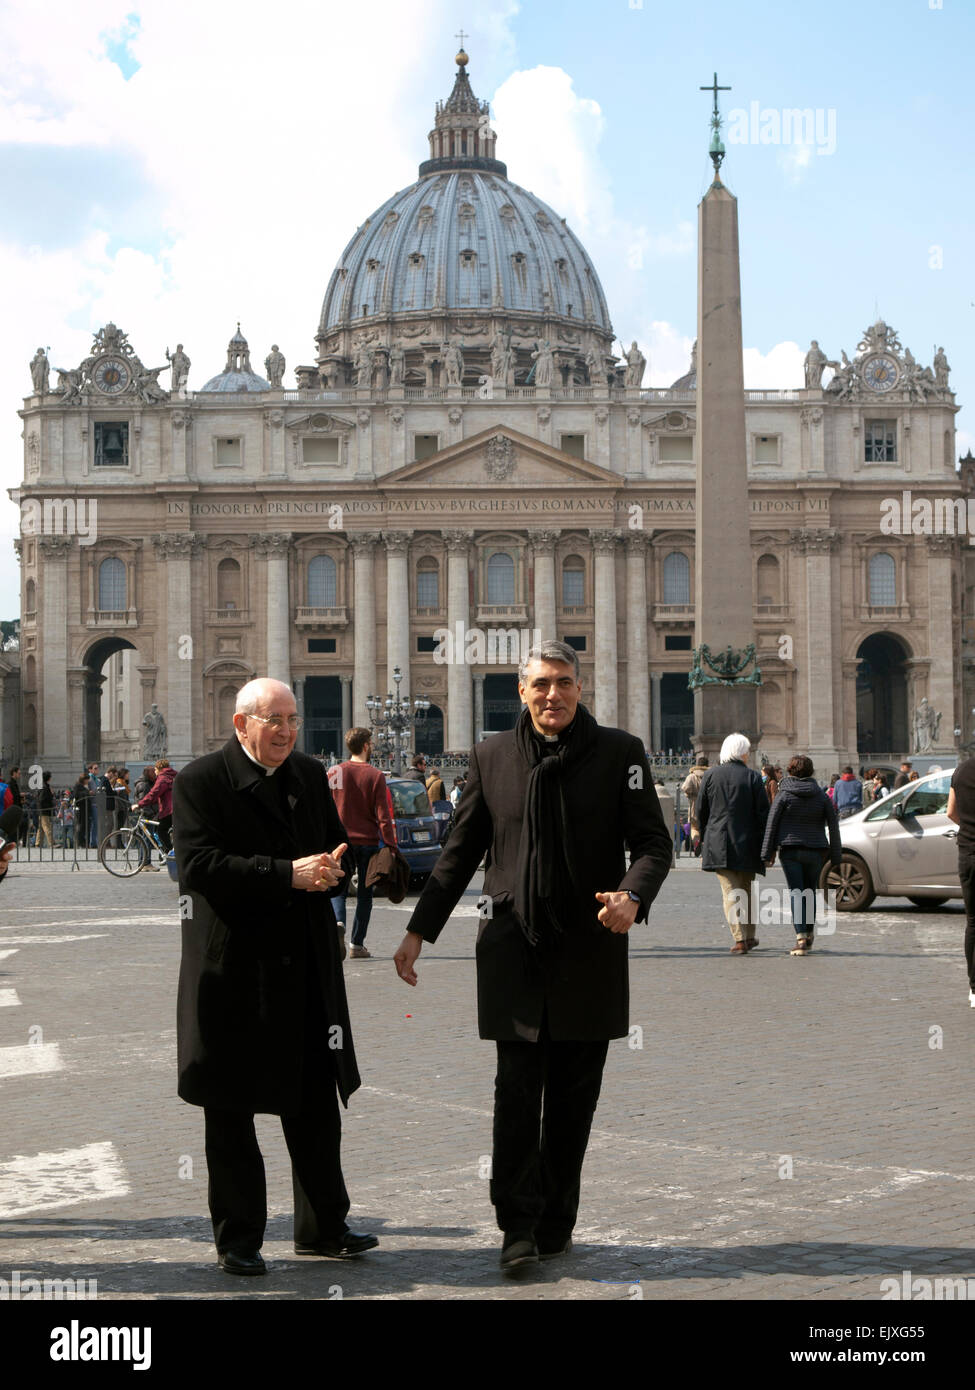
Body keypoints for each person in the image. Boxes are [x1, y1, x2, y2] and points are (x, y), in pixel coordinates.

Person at [393, 639, 672, 1271]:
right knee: (516, 1095)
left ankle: (555, 1220)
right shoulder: (491, 757)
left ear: (580, 688)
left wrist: (632, 896)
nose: (553, 695)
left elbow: (654, 844)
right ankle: (515, 1225)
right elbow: (460, 852)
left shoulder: (619, 754)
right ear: (522, 691)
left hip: (589, 950)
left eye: (564, 683)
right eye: (541, 684)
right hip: (514, 949)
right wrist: (418, 932)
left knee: (574, 1102)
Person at [173, 677, 376, 1276]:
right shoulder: (201, 781)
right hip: (233, 969)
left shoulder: (310, 774)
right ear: (241, 724)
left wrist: (341, 866)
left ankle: (324, 1226)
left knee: (315, 1105)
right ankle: (238, 1239)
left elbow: (332, 846)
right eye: (274, 720)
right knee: (230, 1110)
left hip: (305, 964)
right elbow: (198, 867)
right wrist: (286, 873)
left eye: (292, 719)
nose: (287, 730)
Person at [696, 733, 770, 954]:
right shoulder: (754, 777)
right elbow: (763, 814)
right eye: (747, 751)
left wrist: (705, 834)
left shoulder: (710, 775)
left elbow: (701, 810)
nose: (748, 755)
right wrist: (766, 844)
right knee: (746, 891)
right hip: (747, 842)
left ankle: (739, 939)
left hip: (719, 841)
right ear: (742, 753)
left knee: (730, 891)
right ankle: (748, 936)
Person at [761, 755, 841, 955]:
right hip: (815, 850)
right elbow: (833, 825)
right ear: (811, 772)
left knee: (796, 893)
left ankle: (801, 938)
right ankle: (810, 933)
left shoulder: (784, 794)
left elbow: (772, 824)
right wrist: (836, 856)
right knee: (809, 892)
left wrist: (767, 853)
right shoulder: (821, 795)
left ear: (790, 771)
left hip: (790, 850)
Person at [327, 728, 396, 961]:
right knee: (365, 895)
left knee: (338, 889)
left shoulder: (334, 772)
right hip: (367, 842)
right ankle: (357, 944)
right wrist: (391, 845)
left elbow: (326, 808)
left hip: (340, 842)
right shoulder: (375, 775)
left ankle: (338, 922)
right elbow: (383, 815)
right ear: (366, 746)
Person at [947, 758, 975, 1006]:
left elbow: (950, 812)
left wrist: (968, 827)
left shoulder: (961, 770)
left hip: (968, 853)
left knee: (973, 922)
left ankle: (974, 989)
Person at [137, 758, 177, 859]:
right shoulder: (173, 775)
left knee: (161, 831)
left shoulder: (162, 778)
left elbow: (154, 793)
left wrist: (139, 804)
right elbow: (163, 795)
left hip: (169, 810)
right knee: (163, 828)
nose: (155, 772)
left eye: (155, 769)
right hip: (176, 808)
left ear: (159, 768)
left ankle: (170, 853)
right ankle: (168, 852)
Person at [681, 755, 709, 855]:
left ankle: (696, 842)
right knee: (708, 827)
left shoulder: (692, 776)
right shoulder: (710, 775)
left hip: (694, 805)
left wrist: (690, 794)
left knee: (694, 828)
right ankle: (705, 846)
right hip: (709, 805)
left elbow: (685, 788)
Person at [34, 771, 54, 848]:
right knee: (47, 827)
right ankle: (52, 843)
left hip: (41, 810)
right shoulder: (45, 788)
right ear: (49, 778)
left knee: (41, 828)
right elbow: (42, 800)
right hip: (44, 811)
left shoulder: (43, 786)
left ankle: (38, 843)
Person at [72, 773, 92, 849]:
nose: (88, 781)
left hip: (86, 809)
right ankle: (80, 842)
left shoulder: (85, 786)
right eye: (87, 779)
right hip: (81, 809)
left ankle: (84, 842)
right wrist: (87, 792)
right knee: (81, 826)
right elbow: (76, 795)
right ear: (83, 779)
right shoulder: (78, 786)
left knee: (85, 826)